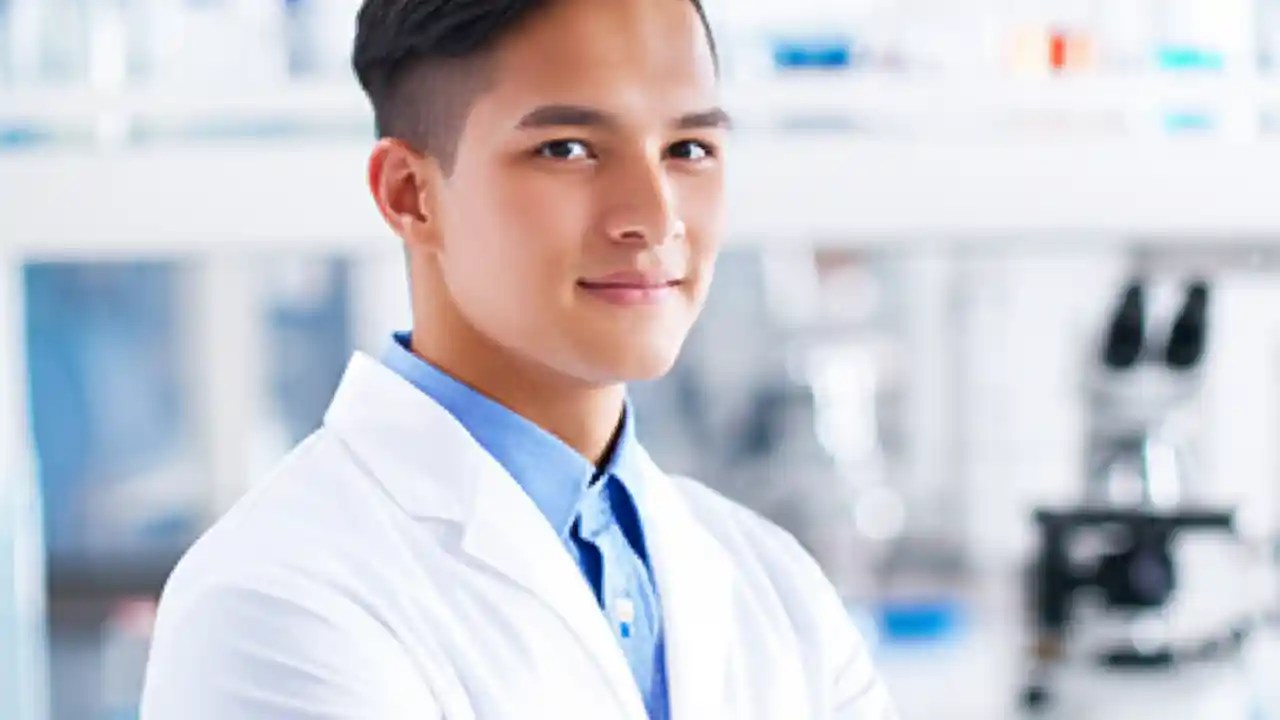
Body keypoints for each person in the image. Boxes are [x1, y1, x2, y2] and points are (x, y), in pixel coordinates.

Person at [140, 0, 898, 718]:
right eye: (567, 149)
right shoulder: (275, 602)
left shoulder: (775, 585)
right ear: (411, 194)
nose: (654, 217)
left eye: (688, 149)